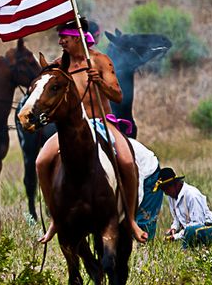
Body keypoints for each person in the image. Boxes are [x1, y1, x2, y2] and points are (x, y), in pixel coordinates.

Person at [36, 17, 148, 244]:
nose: (60, 42)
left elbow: (117, 95)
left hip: (101, 121)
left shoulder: (100, 61)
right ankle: (56, 219)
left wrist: (100, 83)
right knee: (41, 161)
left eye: (64, 38)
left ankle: (132, 221)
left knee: (127, 162)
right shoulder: (61, 65)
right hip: (73, 126)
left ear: (77, 38)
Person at [154, 167, 212, 248]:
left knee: (190, 231)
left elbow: (197, 224)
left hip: (207, 228)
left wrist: (176, 237)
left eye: (165, 189)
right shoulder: (172, 196)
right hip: (189, 231)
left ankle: (185, 252)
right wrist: (174, 228)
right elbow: (177, 218)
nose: (165, 193)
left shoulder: (192, 195)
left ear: (174, 184)